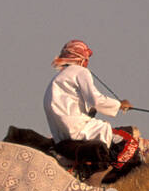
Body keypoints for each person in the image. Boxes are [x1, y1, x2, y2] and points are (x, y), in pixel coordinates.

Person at [43, 39, 140, 169]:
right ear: (81, 59)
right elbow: (95, 100)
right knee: (130, 138)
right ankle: (107, 174)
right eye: (87, 59)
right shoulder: (79, 71)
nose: (87, 63)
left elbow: (79, 106)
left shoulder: (56, 80)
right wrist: (119, 104)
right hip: (80, 130)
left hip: (61, 138)